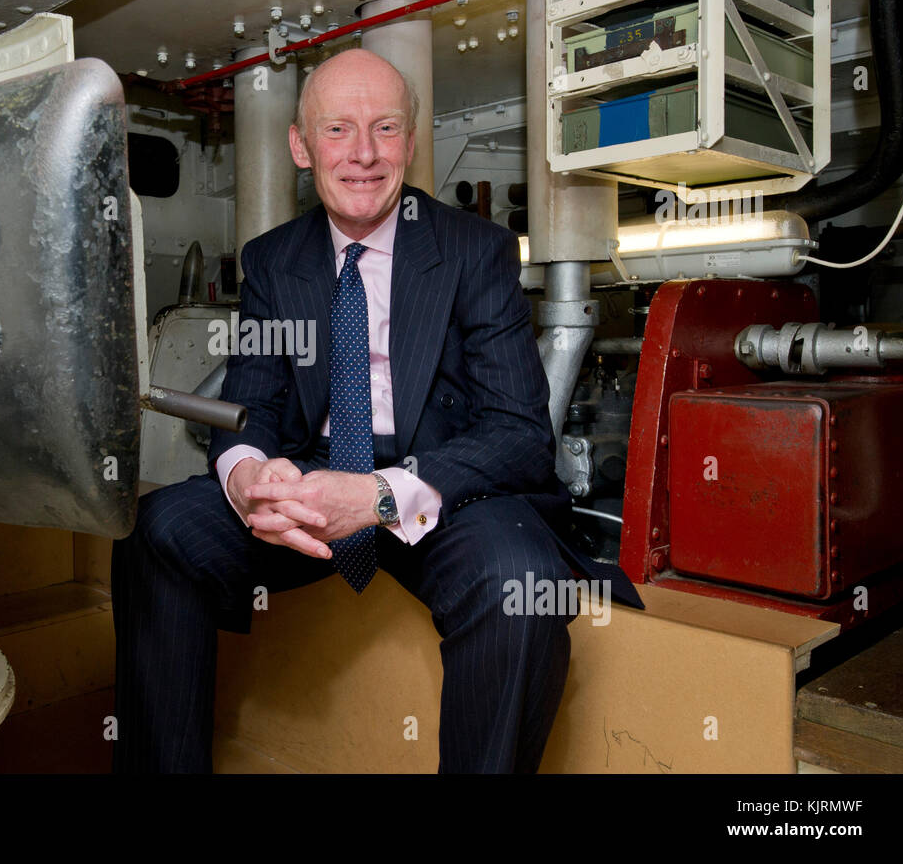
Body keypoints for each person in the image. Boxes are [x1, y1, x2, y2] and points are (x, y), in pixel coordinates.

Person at [111, 48, 641, 773]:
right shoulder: (273, 260)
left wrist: (382, 494)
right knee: (158, 532)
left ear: (411, 143)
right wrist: (246, 477)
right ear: (301, 146)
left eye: (385, 128)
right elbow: (250, 406)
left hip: (443, 484)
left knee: (520, 581)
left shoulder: (474, 251)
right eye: (338, 130)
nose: (363, 153)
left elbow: (518, 433)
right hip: (314, 471)